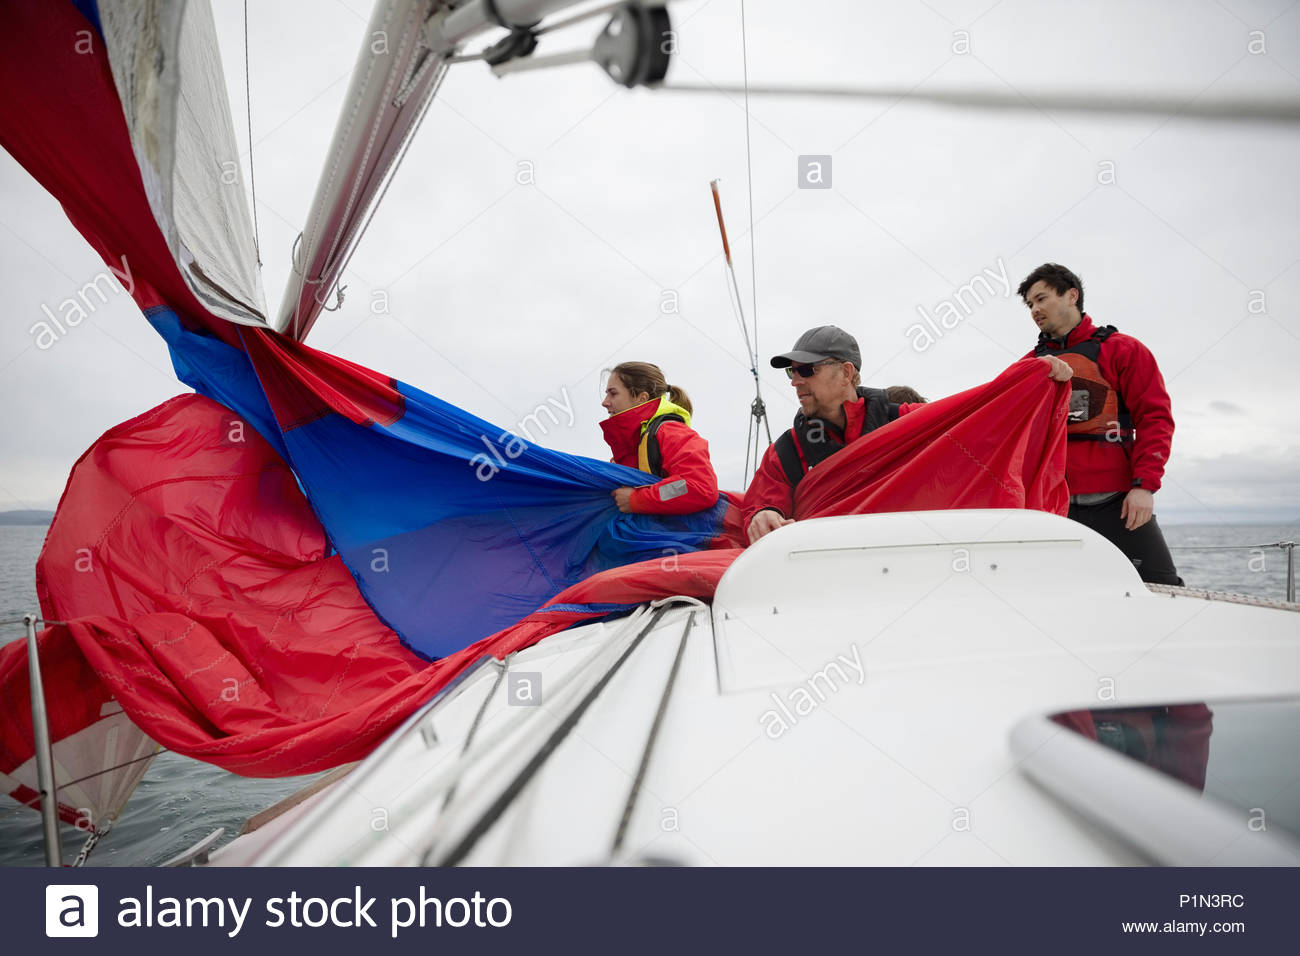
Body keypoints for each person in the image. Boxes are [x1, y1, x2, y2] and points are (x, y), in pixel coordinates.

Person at [744, 325, 1072, 543]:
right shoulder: (786, 451)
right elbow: (762, 499)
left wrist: (1033, 378)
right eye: (791, 371)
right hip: (828, 575)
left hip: (904, 564)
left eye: (806, 370)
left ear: (846, 372)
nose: (794, 381)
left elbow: (974, 418)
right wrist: (764, 514)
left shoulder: (900, 422)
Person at [1018, 263, 1183, 586]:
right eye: (1030, 305)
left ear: (1071, 295)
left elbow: (1155, 419)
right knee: (1057, 593)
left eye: (1041, 298)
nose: (1035, 309)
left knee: (1162, 589)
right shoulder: (1028, 366)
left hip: (1120, 503)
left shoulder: (1123, 350)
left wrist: (1144, 487)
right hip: (1054, 507)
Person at [600, 361, 720, 515]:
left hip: (683, 535)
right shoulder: (631, 447)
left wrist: (638, 499)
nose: (605, 402)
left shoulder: (671, 432)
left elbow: (698, 486)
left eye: (613, 393)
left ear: (641, 398)